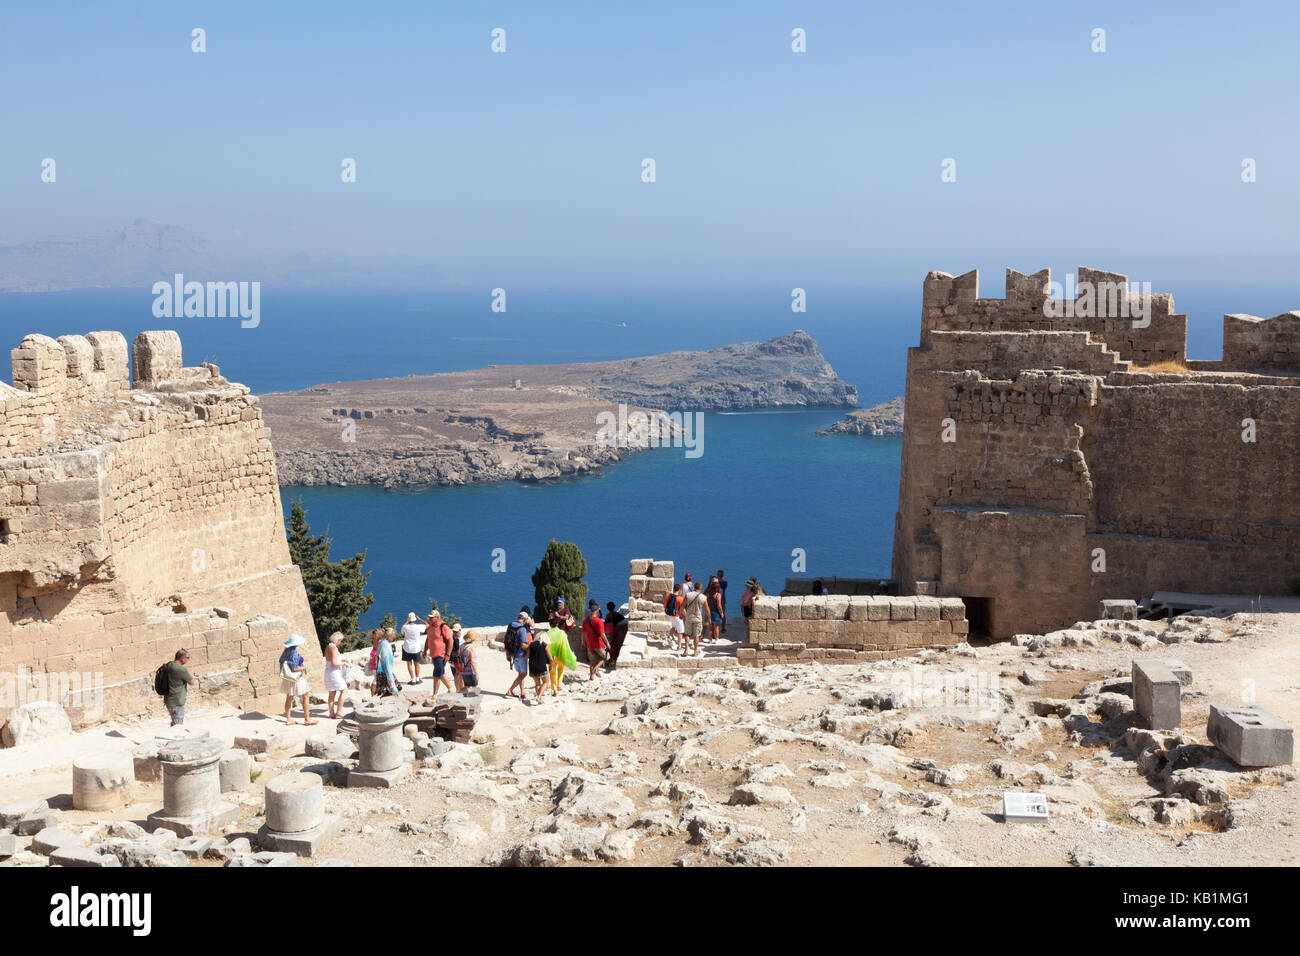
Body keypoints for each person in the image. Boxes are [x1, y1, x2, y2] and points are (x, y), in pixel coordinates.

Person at [279, 634, 316, 725]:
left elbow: (281, 662)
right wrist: (304, 668)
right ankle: (307, 719)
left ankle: (288, 720)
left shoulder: (286, 651)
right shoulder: (294, 652)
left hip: (288, 679)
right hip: (296, 678)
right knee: (306, 696)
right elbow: (294, 668)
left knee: (289, 697)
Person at [423, 611, 454, 698]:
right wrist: (425, 650)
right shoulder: (430, 627)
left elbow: (450, 640)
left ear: (437, 617)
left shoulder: (443, 627)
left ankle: (435, 695)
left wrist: (448, 654)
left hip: (441, 655)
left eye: (432, 617)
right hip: (433, 655)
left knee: (436, 675)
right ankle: (451, 689)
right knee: (440, 673)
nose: (430, 619)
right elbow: (428, 639)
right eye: (430, 617)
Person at [164, 649, 196, 726]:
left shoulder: (169, 665)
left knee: (174, 722)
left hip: (169, 700)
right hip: (177, 701)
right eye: (188, 657)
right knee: (178, 726)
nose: (188, 659)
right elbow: (192, 682)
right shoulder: (181, 669)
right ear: (182, 658)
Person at [506, 613, 533, 699]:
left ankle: (522, 692)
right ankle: (510, 690)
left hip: (513, 654)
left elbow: (506, 641)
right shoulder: (522, 629)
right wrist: (532, 648)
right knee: (524, 674)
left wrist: (507, 654)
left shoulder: (510, 625)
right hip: (521, 655)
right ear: (524, 620)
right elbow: (523, 645)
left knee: (520, 674)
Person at [547, 623, 579, 695]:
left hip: (551, 656)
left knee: (552, 672)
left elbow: (546, 644)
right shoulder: (562, 633)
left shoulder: (548, 633)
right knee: (561, 669)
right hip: (560, 654)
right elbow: (566, 643)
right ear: (557, 624)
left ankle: (554, 690)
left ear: (550, 624)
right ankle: (559, 684)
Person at [323, 631, 348, 719]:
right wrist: (344, 664)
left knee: (331, 694)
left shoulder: (328, 647)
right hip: (334, 673)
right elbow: (334, 663)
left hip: (328, 673)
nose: (340, 642)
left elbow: (330, 660)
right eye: (340, 640)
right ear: (337, 640)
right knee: (344, 690)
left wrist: (342, 659)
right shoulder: (334, 648)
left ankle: (331, 714)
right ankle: (339, 712)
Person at [399, 612, 427, 685]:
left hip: (407, 648)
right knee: (417, 664)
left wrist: (407, 621)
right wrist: (420, 619)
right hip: (416, 648)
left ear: (409, 619)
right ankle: (417, 679)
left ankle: (413, 679)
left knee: (409, 664)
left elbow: (402, 630)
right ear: (415, 619)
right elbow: (427, 625)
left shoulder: (405, 627)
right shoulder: (418, 627)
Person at [372, 629, 399, 697]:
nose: (394, 637)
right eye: (393, 635)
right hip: (384, 675)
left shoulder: (381, 644)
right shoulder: (385, 646)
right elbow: (387, 666)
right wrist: (392, 685)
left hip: (380, 673)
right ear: (390, 636)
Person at [582, 604, 608, 679]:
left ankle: (591, 677)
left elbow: (583, 633)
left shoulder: (585, 621)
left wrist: (583, 642)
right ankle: (596, 669)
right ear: (596, 612)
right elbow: (602, 634)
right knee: (604, 657)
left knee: (592, 661)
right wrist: (608, 643)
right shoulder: (599, 621)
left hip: (589, 645)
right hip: (598, 644)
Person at [528, 624, 553, 698]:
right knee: (546, 682)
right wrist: (551, 667)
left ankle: (538, 697)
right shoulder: (545, 645)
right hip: (541, 667)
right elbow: (551, 659)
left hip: (532, 667)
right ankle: (539, 697)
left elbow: (527, 656)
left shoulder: (531, 645)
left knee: (537, 684)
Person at [682, 581, 706, 657]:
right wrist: (709, 619)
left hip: (689, 617)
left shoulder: (688, 595)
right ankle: (695, 651)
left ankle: (686, 650)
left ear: (694, 587)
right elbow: (707, 609)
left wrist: (680, 614)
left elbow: (682, 606)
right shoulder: (703, 597)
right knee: (696, 635)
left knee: (687, 634)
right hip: (698, 618)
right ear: (701, 589)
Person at [604, 601, 628, 670]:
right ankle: (614, 660)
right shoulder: (618, 615)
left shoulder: (607, 616)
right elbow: (624, 621)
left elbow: (605, 624)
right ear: (614, 607)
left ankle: (612, 660)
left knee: (611, 647)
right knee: (617, 647)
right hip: (618, 633)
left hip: (610, 634)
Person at [705, 577, 724, 645]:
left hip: (709, 611)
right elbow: (719, 605)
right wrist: (721, 613)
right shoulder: (718, 595)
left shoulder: (708, 594)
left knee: (710, 627)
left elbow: (706, 603)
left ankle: (710, 640)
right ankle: (716, 639)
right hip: (715, 612)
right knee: (716, 627)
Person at [665, 582, 684, 649]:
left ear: (673, 589)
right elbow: (682, 609)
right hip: (678, 616)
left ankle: (670, 637)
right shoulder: (680, 599)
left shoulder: (668, 597)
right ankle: (679, 646)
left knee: (674, 626)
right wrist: (686, 616)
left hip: (671, 615)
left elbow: (665, 606)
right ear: (679, 590)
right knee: (680, 632)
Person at [449, 622, 465, 693]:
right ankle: (458, 690)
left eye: (456, 631)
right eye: (454, 631)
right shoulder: (450, 638)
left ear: (460, 630)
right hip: (453, 660)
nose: (455, 633)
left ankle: (462, 690)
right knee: (455, 675)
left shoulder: (463, 639)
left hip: (460, 659)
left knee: (461, 676)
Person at [716, 569, 729, 634]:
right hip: (723, 599)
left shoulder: (715, 583)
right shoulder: (725, 583)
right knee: (723, 612)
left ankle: (715, 627)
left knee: (715, 612)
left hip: (715, 599)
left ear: (718, 575)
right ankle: (723, 628)